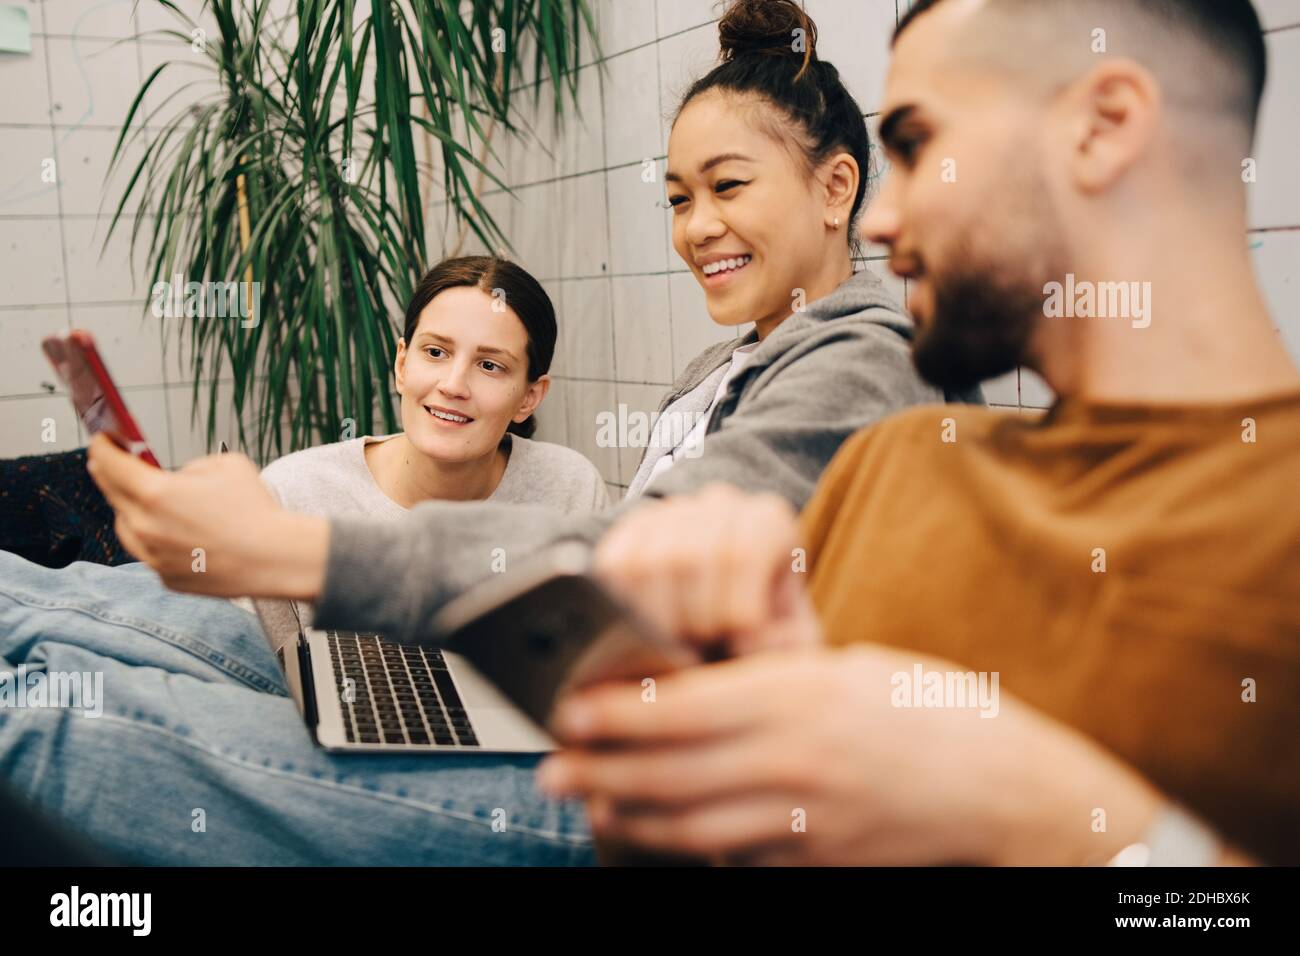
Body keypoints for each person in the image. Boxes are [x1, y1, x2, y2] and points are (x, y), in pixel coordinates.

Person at [15, 0, 977, 865]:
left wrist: (292, 550)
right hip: (577, 708)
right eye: (681, 198)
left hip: (646, 797)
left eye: (728, 187)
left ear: (836, 186)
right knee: (66, 623)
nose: (695, 228)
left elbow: (637, 562)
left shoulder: (866, 360)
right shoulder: (725, 366)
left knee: (57, 722)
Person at [534, 0, 1300, 865]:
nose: (884, 222)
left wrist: (1055, 822)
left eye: (921, 145)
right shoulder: (897, 468)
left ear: (1105, 127)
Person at [0, 256, 606, 864]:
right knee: (82, 621)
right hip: (307, 701)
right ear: (401, 363)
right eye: (436, 352)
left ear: (530, 396)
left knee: (63, 694)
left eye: (490, 365)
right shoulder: (298, 487)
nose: (453, 383)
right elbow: (249, 662)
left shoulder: (566, 487)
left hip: (481, 746)